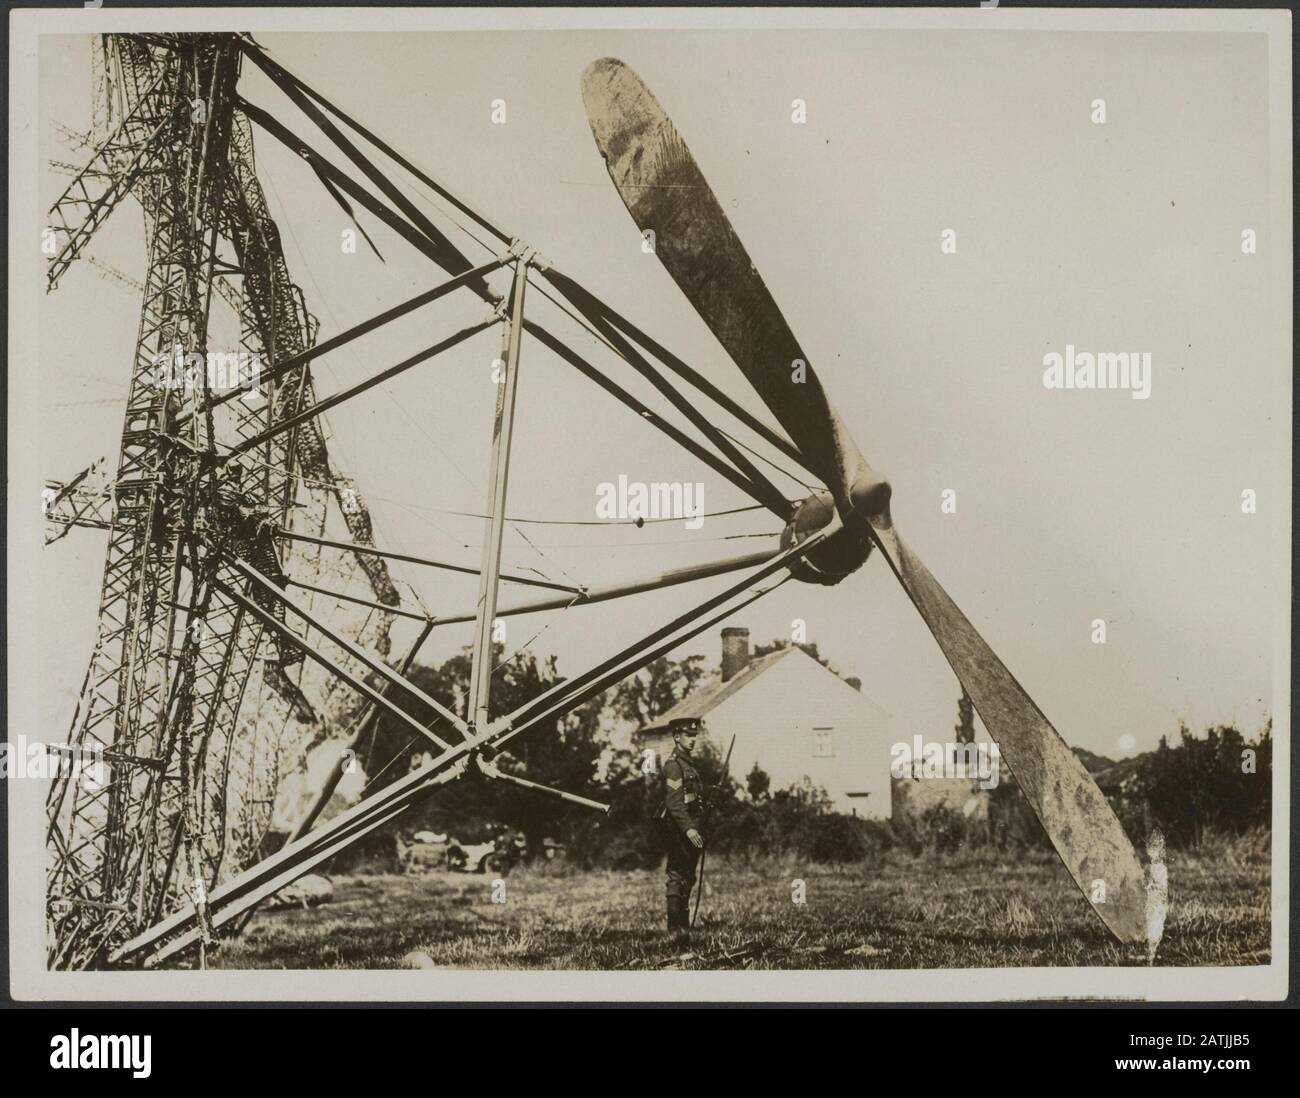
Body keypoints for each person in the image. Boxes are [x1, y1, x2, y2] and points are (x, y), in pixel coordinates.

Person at [658, 716, 706, 934]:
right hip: (679, 830)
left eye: (694, 735)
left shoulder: (689, 765)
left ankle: (683, 926)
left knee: (688, 875)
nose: (693, 739)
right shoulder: (674, 766)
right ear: (677, 737)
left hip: (691, 828)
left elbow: (691, 798)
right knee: (677, 875)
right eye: (688, 735)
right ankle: (674, 928)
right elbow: (674, 804)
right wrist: (689, 828)